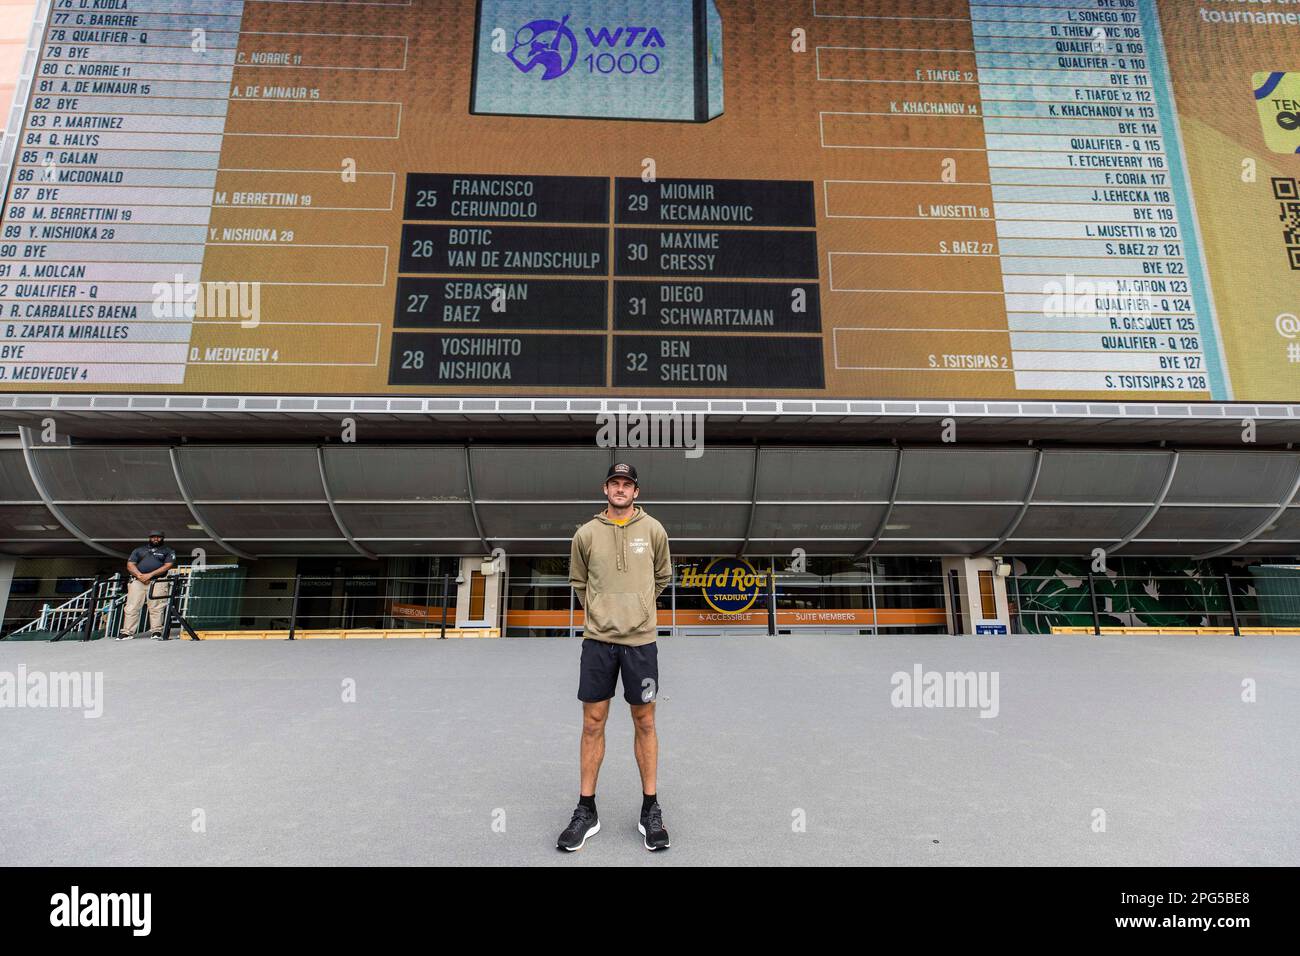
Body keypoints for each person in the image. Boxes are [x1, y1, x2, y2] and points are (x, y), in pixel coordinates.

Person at [558, 463, 672, 852]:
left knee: (645, 719)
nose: (621, 489)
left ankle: (650, 810)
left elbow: (662, 576)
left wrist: (638, 610)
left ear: (636, 492)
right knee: (593, 722)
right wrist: (601, 614)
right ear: (605, 488)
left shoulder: (654, 530)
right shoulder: (585, 534)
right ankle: (586, 810)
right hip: (597, 642)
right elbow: (578, 580)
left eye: (627, 484)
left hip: (641, 642)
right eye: (615, 483)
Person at [116, 530, 176, 641]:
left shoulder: (168, 550)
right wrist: (140, 576)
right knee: (131, 607)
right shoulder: (139, 550)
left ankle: (156, 631)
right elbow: (130, 564)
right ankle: (127, 632)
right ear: (149, 538)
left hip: (157, 581)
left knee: (156, 607)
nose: (156, 539)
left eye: (158, 537)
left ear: (162, 538)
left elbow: (168, 565)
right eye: (153, 537)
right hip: (138, 581)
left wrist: (150, 575)